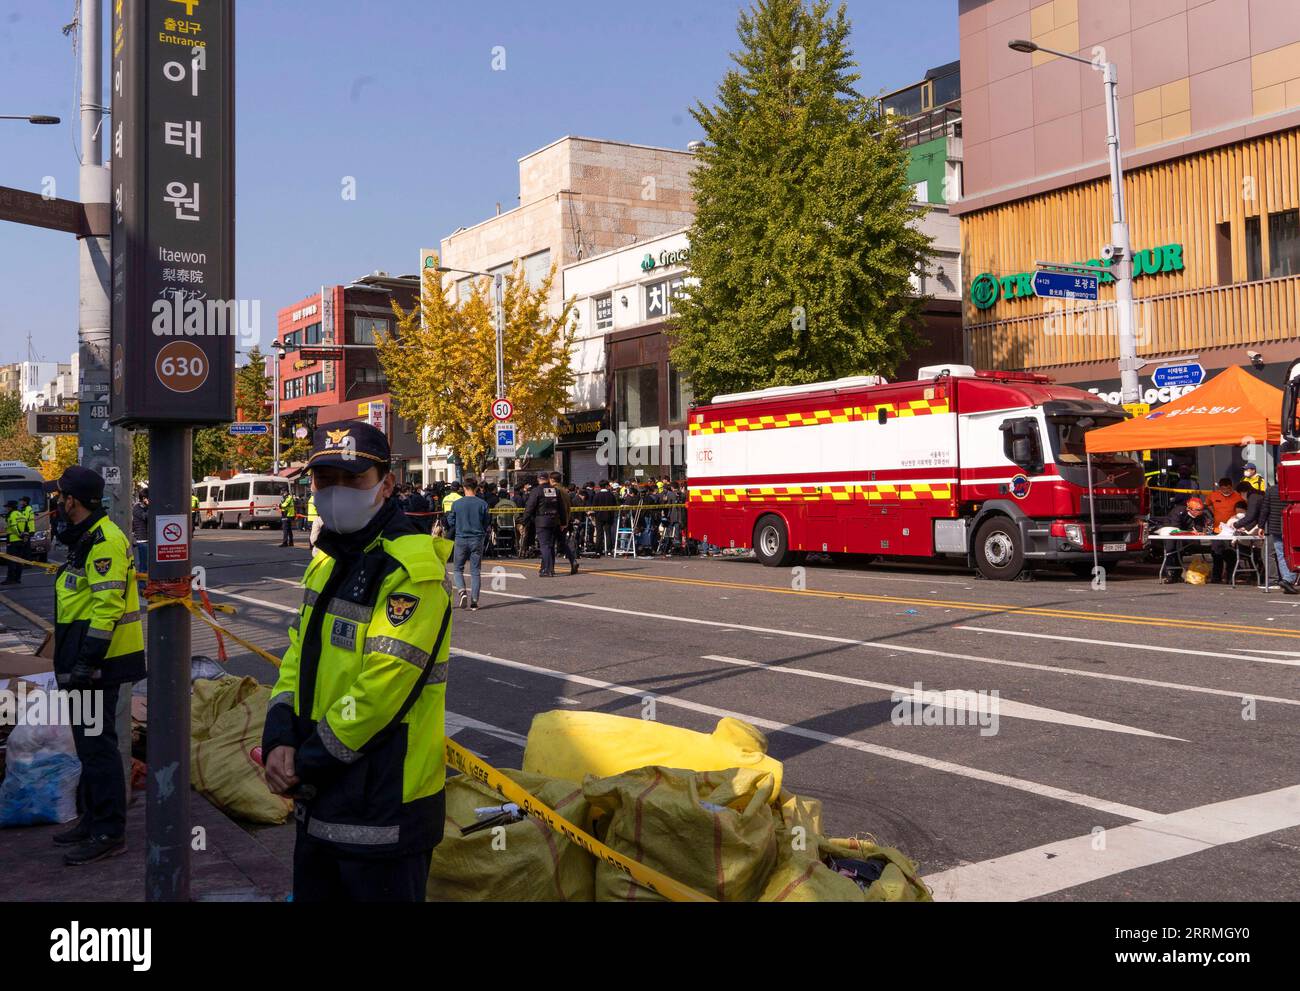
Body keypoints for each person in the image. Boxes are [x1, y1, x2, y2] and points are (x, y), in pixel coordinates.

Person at [261, 420, 453, 902]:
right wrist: (279, 734)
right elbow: (297, 656)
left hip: (384, 808)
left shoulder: (412, 569)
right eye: (326, 481)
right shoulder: (327, 559)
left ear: (386, 485)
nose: (337, 493)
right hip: (320, 796)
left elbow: (382, 692)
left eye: (353, 480)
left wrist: (305, 761)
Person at [47, 466, 145, 865]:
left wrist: (86, 663)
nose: (57, 502)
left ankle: (108, 830)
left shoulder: (104, 541)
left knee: (98, 747)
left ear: (74, 500)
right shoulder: (86, 539)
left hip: (98, 665)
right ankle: (92, 819)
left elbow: (107, 610)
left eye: (61, 496)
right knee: (89, 746)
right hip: (86, 662)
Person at [1239, 479, 1297, 593]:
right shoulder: (1293, 489)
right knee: (1292, 553)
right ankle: (1288, 579)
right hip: (1290, 526)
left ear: (1277, 477)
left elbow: (1265, 510)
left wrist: (1261, 526)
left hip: (1275, 527)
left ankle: (1287, 579)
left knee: (1280, 554)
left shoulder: (1270, 490)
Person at [445, 476, 490, 610]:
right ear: (476, 488)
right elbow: (486, 522)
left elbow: (451, 521)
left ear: (464, 488)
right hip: (477, 538)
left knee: (458, 568)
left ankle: (462, 591)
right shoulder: (482, 504)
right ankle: (474, 601)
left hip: (461, 537)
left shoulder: (457, 503)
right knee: (475, 571)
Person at [523, 471, 571, 577]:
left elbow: (530, 507)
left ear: (539, 479)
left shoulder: (537, 491)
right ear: (548, 479)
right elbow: (561, 508)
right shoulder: (554, 490)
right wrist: (563, 522)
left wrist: (524, 521)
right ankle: (548, 568)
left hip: (542, 521)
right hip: (554, 521)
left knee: (544, 546)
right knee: (549, 546)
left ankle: (548, 570)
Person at [1159, 495, 1214, 584]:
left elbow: (1200, 527)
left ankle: (1178, 574)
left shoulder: (1201, 515)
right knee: (1171, 548)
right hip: (1170, 531)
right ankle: (1169, 573)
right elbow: (1175, 528)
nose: (1200, 512)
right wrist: (1190, 532)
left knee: (1182, 550)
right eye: (1197, 510)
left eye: (1201, 510)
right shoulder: (1178, 511)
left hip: (1186, 533)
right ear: (1190, 509)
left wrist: (1200, 532)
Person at [3, 500, 23, 585]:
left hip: (13, 540)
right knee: (19, 560)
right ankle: (17, 578)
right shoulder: (20, 513)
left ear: (10, 507)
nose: (6, 509)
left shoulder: (12, 515)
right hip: (20, 541)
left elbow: (14, 527)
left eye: (7, 507)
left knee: (11, 560)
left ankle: (10, 579)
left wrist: (18, 534)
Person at [131, 489, 150, 575]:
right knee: (143, 565)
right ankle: (142, 586)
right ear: (144, 498)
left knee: (149, 564)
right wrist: (150, 506)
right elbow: (145, 517)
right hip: (142, 540)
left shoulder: (146, 507)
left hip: (149, 538)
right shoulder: (136, 508)